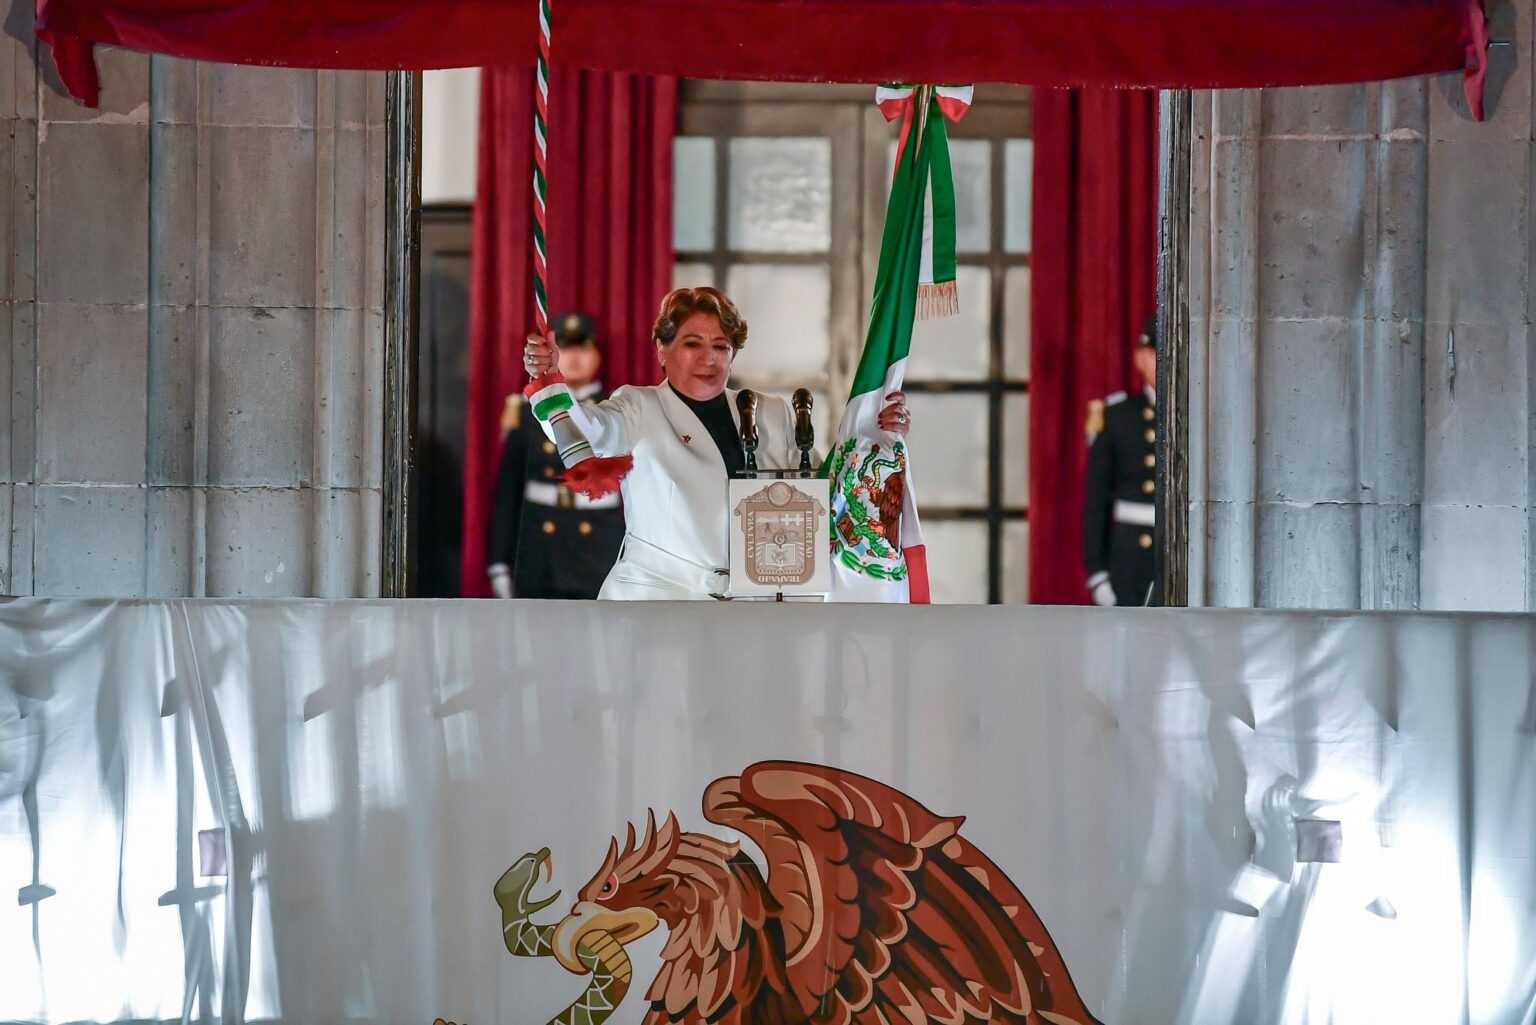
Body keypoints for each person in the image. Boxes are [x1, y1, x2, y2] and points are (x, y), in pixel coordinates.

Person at [523, 286, 911, 600]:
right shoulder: (640, 406)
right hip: (659, 608)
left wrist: (878, 435)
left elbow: (829, 496)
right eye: (693, 344)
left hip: (756, 612)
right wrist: (552, 379)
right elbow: (589, 431)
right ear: (662, 348)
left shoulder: (773, 413)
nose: (708, 358)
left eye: (721, 346)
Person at [488, 312, 624, 599]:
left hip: (598, 547)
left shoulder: (616, 409)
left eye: (583, 347)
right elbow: (508, 490)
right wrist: (499, 562)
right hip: (541, 550)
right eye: (565, 348)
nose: (574, 357)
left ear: (598, 354)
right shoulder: (528, 411)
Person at [1083, 315, 1159, 607]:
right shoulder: (1118, 415)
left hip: (1177, 556)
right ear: (1140, 358)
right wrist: (1098, 574)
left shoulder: (1191, 414)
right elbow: (1096, 502)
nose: (1158, 363)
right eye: (1152, 355)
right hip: (1128, 561)